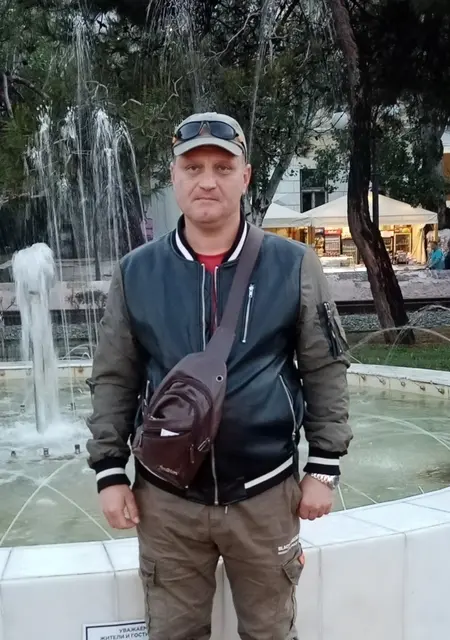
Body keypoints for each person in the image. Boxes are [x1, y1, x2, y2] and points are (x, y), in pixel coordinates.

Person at [86, 112, 353, 640]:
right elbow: (115, 376)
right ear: (174, 176)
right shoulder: (136, 271)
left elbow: (324, 367)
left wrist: (323, 467)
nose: (207, 180)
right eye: (193, 167)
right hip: (167, 501)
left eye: (222, 167)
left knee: (270, 633)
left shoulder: (293, 264)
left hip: (264, 493)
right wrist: (110, 471)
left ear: (245, 177)